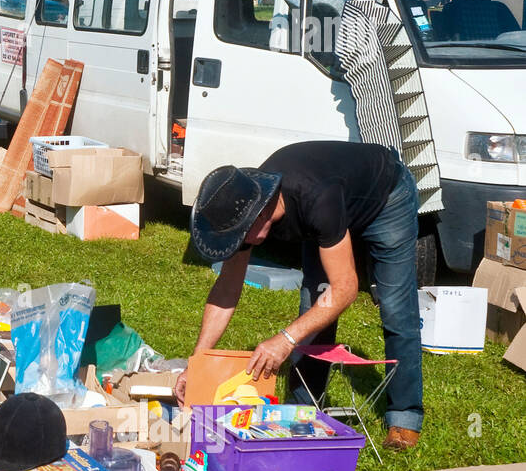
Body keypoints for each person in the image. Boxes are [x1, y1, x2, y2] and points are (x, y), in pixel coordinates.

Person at [182, 140, 424, 450]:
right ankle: (303, 413)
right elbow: (228, 287)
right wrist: (198, 363)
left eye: (240, 237)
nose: (241, 244)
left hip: (386, 196)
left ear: (260, 216)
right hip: (329, 213)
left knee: (395, 307)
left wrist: (284, 339)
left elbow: (346, 289)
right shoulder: (246, 202)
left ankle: (404, 418)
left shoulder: (316, 198)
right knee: (314, 306)